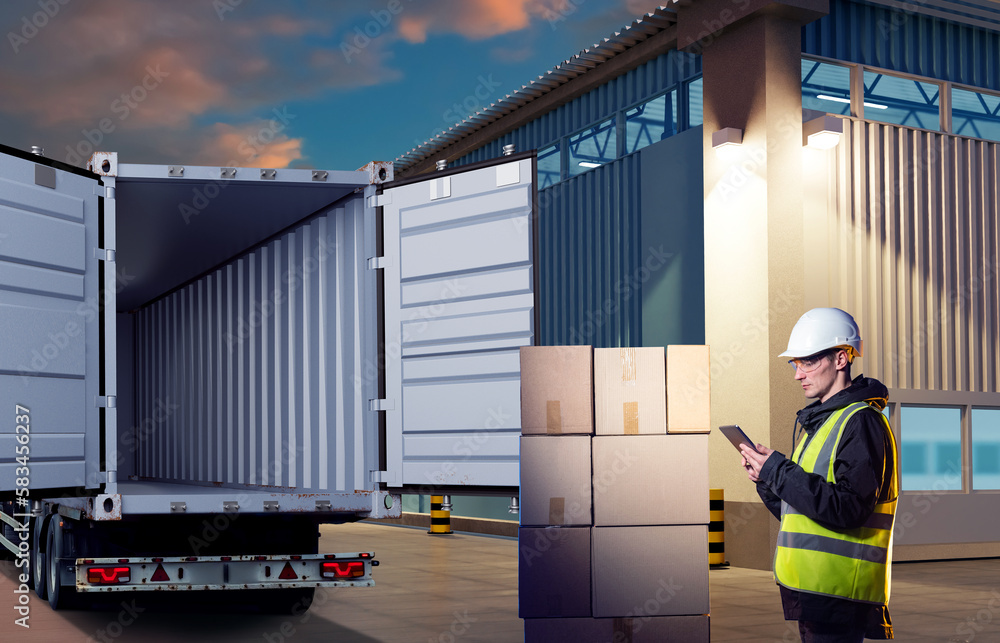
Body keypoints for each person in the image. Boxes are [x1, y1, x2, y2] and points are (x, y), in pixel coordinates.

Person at [739, 307, 899, 642]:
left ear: (841, 359)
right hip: (818, 591)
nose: (798, 374)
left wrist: (779, 470)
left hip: (839, 591)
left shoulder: (861, 422)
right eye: (795, 364)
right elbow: (800, 512)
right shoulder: (824, 422)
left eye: (808, 361)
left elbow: (849, 508)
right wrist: (768, 480)